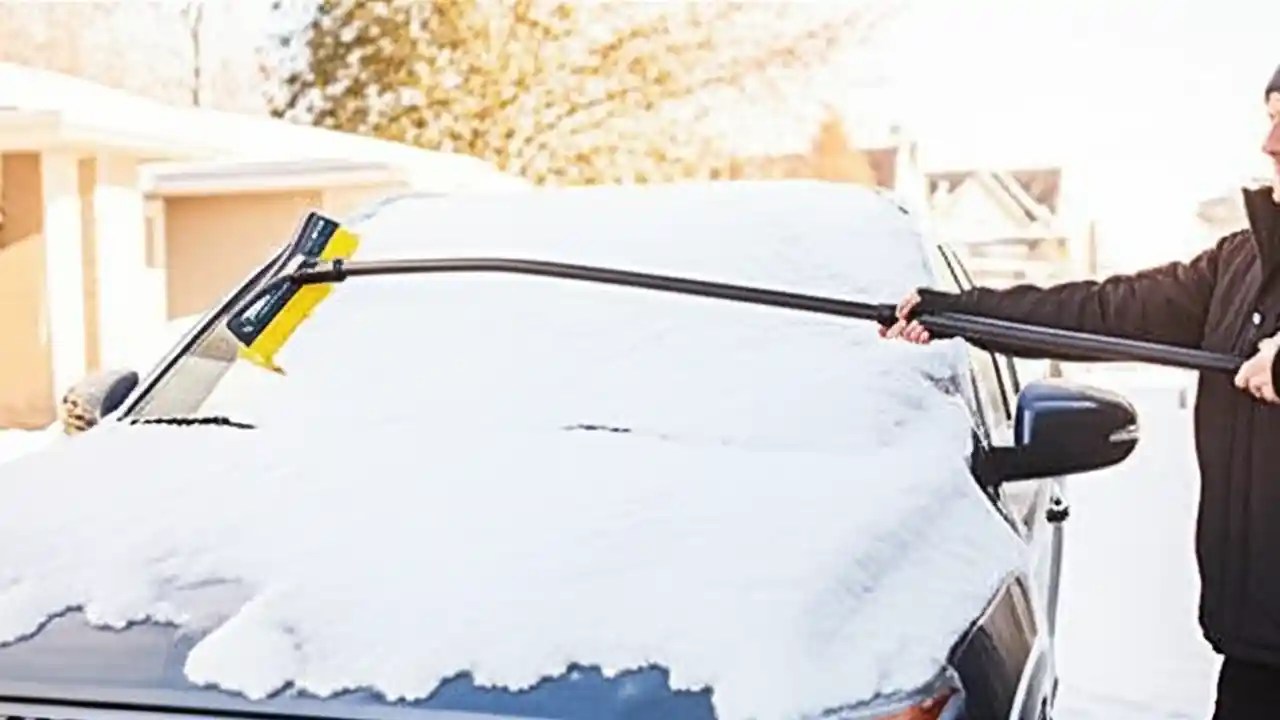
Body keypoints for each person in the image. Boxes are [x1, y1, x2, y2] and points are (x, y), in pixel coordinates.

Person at [881, 65, 1280, 720]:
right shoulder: (1242, 263)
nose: (1271, 143)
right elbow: (1103, 310)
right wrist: (960, 313)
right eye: (1270, 115)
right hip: (1255, 654)